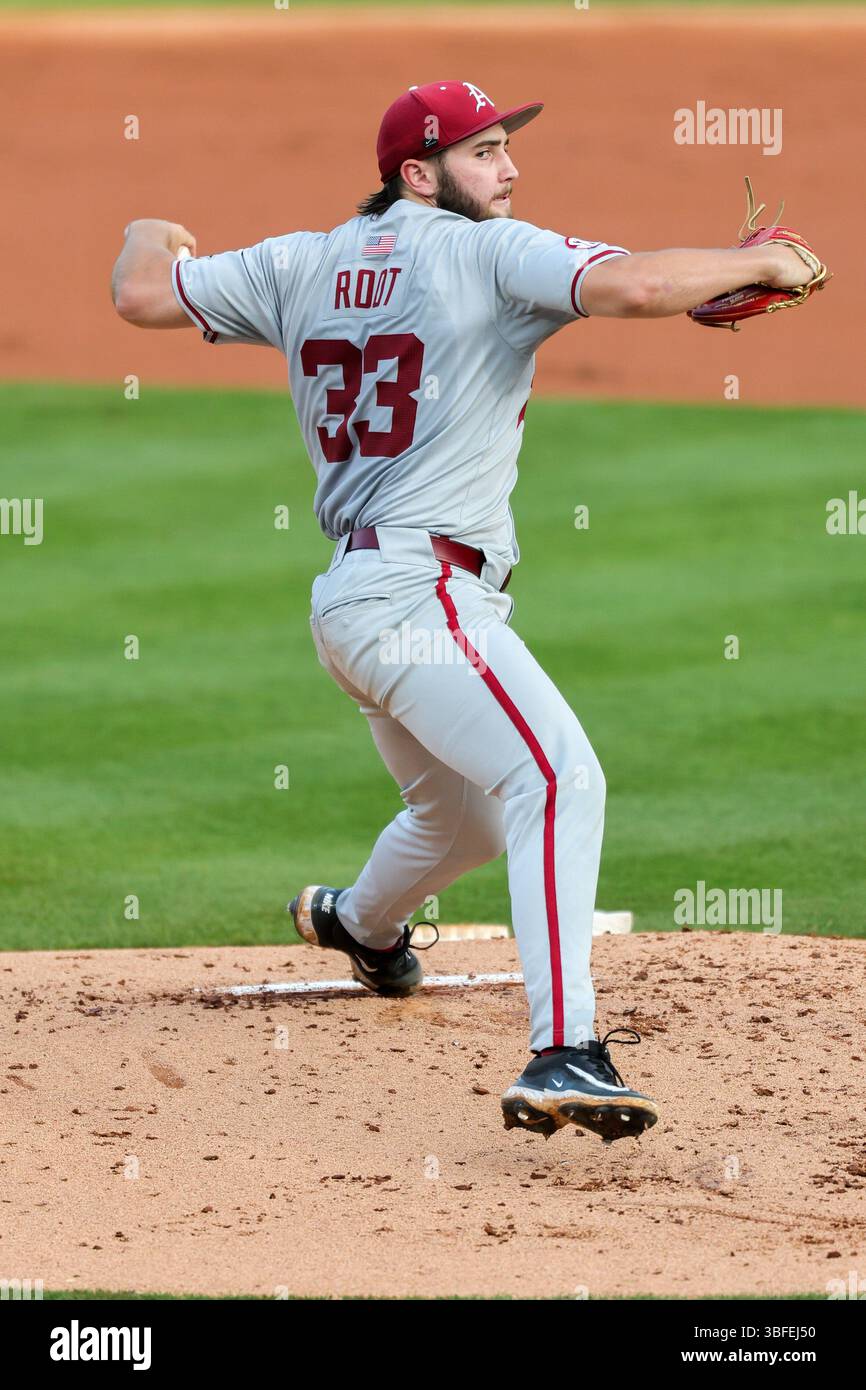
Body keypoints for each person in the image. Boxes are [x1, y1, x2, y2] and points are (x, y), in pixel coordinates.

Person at [112, 80, 813, 1145]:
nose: (509, 170)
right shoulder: (481, 251)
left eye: (505, 149)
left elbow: (140, 295)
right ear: (418, 174)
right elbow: (629, 287)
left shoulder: (296, 261)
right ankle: (565, 1051)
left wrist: (147, 228)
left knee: (466, 818)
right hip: (422, 597)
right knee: (554, 775)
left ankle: (358, 921)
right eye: (485, 152)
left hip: (350, 608)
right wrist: (764, 260)